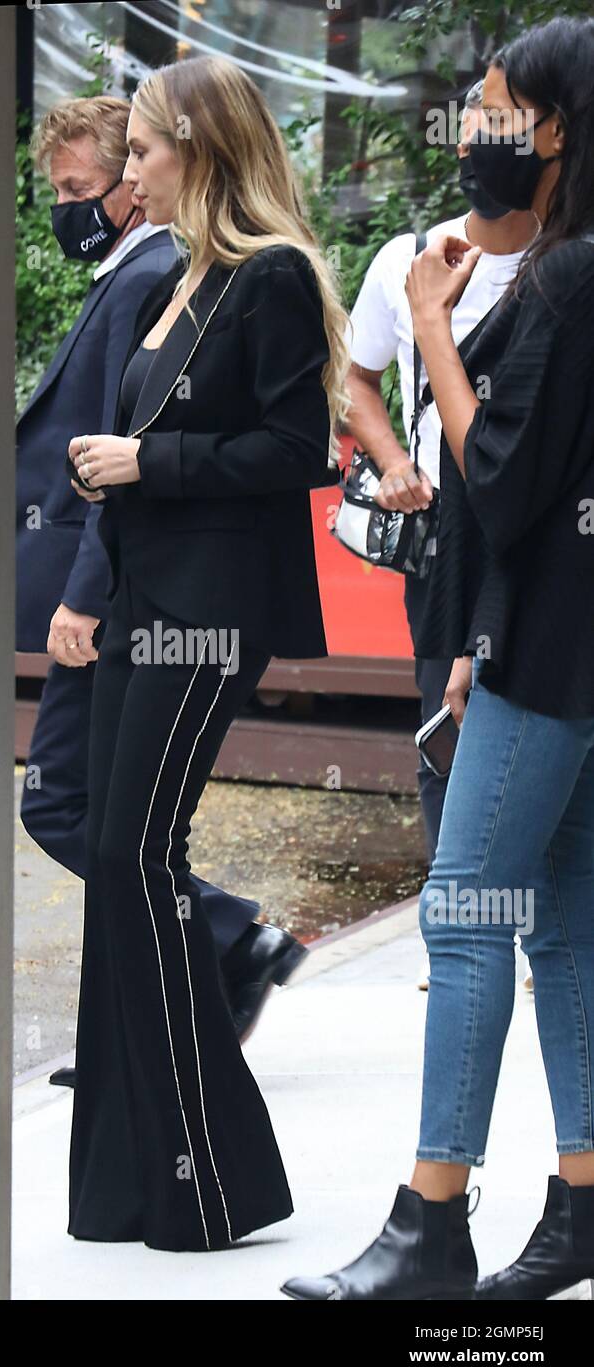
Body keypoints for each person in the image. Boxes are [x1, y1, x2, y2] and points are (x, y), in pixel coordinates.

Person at [282, 15, 594, 1300]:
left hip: (550, 658)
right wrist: (472, 635)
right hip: (550, 644)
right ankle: (580, 1206)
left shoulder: (569, 282)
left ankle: (431, 1220)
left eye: (489, 104)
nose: (471, 125)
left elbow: (505, 480)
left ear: (554, 130)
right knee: (567, 929)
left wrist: (430, 325)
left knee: (466, 912)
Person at [65, 53, 349, 1252]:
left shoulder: (269, 276)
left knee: (135, 856)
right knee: (108, 851)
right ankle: (134, 1174)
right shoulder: (182, 278)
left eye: (140, 150)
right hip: (145, 599)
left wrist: (149, 462)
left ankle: (212, 1175)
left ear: (201, 147)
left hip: (209, 611)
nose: (127, 176)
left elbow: (299, 449)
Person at [15, 97, 308, 1092]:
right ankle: (179, 1002)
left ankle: (216, 965)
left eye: (123, 163)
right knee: (110, 827)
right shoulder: (158, 281)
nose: (113, 187)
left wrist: (87, 591)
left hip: (156, 601)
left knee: (99, 822)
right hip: (135, 592)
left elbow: (275, 449)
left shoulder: (219, 278)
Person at [346, 79, 533, 878]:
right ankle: (453, 912)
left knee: (540, 729)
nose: (469, 149)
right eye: (463, 134)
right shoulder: (408, 257)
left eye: (488, 128)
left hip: (539, 531)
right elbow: (354, 380)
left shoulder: (565, 265)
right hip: (445, 540)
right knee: (443, 731)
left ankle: (532, 922)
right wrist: (391, 462)